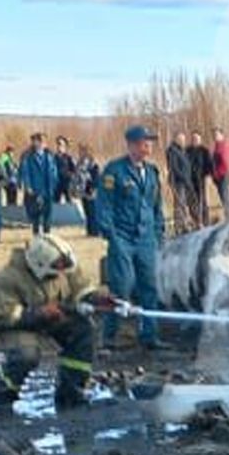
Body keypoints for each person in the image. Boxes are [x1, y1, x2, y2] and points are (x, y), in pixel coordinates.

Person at [0, 234, 116, 411]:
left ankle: (70, 391)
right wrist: (39, 313)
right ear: (39, 264)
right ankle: (3, 394)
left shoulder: (65, 266)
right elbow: (5, 315)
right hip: (18, 324)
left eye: (64, 266)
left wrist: (96, 298)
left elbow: (81, 288)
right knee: (26, 356)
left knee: (84, 332)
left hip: (55, 316)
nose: (62, 272)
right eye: (57, 268)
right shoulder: (5, 279)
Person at [94, 126, 166, 350]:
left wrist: (158, 232)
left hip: (146, 238)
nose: (149, 146)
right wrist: (111, 235)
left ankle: (149, 336)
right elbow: (103, 206)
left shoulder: (152, 172)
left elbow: (156, 206)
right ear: (132, 145)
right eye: (144, 142)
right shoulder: (114, 171)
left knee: (149, 287)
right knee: (122, 287)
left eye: (150, 143)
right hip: (122, 238)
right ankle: (109, 337)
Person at [17, 133, 59, 236]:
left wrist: (54, 185)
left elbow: (54, 172)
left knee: (47, 216)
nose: (40, 144)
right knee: (35, 216)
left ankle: (47, 237)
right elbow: (25, 173)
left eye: (42, 142)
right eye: (38, 141)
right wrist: (28, 186)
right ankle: (36, 236)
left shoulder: (49, 156)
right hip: (34, 190)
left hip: (47, 190)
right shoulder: (28, 157)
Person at [165, 131, 194, 234]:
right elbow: (174, 168)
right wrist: (184, 179)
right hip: (177, 181)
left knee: (184, 203)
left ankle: (185, 224)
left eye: (184, 139)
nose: (183, 141)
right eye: (180, 139)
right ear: (176, 139)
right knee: (179, 203)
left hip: (185, 181)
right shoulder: (172, 150)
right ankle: (179, 227)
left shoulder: (182, 150)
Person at [185, 133, 212, 228]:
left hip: (201, 178)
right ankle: (196, 221)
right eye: (193, 139)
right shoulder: (187, 151)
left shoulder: (204, 151)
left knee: (202, 200)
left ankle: (206, 221)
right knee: (192, 201)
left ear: (200, 140)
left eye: (197, 139)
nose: (195, 140)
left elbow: (209, 165)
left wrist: (208, 176)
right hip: (190, 180)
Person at [210, 129, 229, 221]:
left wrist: (217, 173)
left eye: (217, 134)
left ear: (222, 135)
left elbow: (226, 163)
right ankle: (228, 215)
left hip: (223, 175)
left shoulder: (225, 146)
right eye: (214, 135)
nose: (215, 136)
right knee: (222, 196)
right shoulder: (216, 146)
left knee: (225, 196)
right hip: (218, 176)